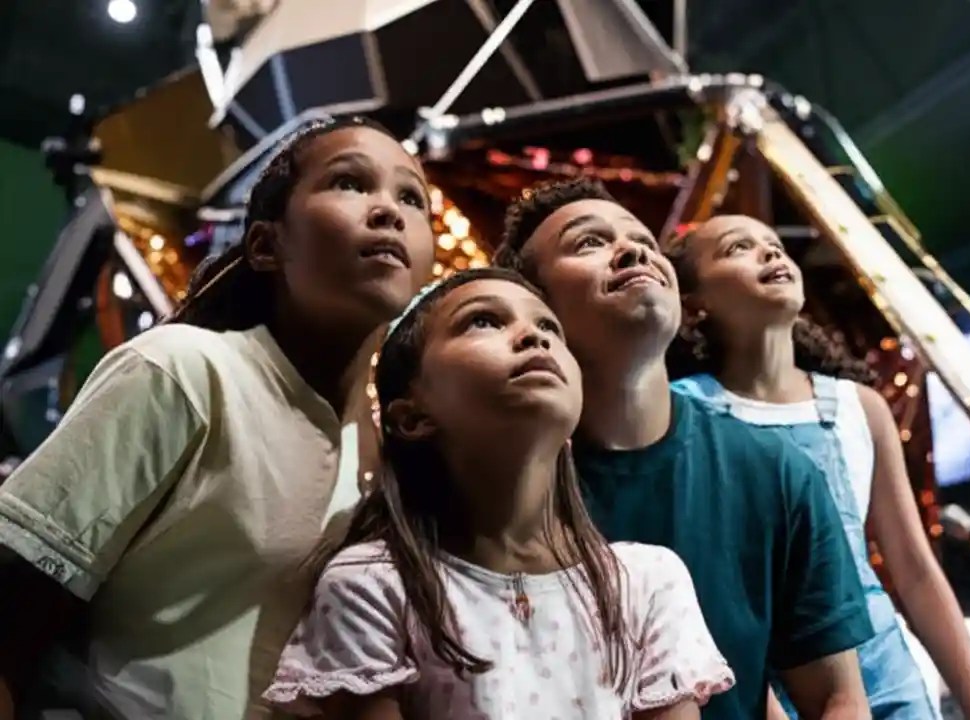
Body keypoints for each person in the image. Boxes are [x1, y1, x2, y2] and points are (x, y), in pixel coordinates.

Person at [0, 116, 436, 719]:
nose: (389, 210)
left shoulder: (398, 454)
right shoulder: (181, 371)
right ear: (266, 244)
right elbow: (12, 615)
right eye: (349, 183)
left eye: (411, 197)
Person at [264, 268, 734, 718]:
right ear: (411, 416)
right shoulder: (373, 585)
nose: (535, 337)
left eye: (549, 326)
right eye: (483, 321)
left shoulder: (646, 582)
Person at [493, 178, 875, 720]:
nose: (633, 250)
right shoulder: (494, 484)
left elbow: (837, 699)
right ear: (534, 309)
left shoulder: (778, 473)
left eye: (643, 240)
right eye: (588, 243)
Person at [666, 214, 970, 720]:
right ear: (694, 303)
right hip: (768, 686)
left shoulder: (859, 408)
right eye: (739, 247)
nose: (771, 254)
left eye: (775, 244)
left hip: (889, 674)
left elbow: (914, 573)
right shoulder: (684, 412)